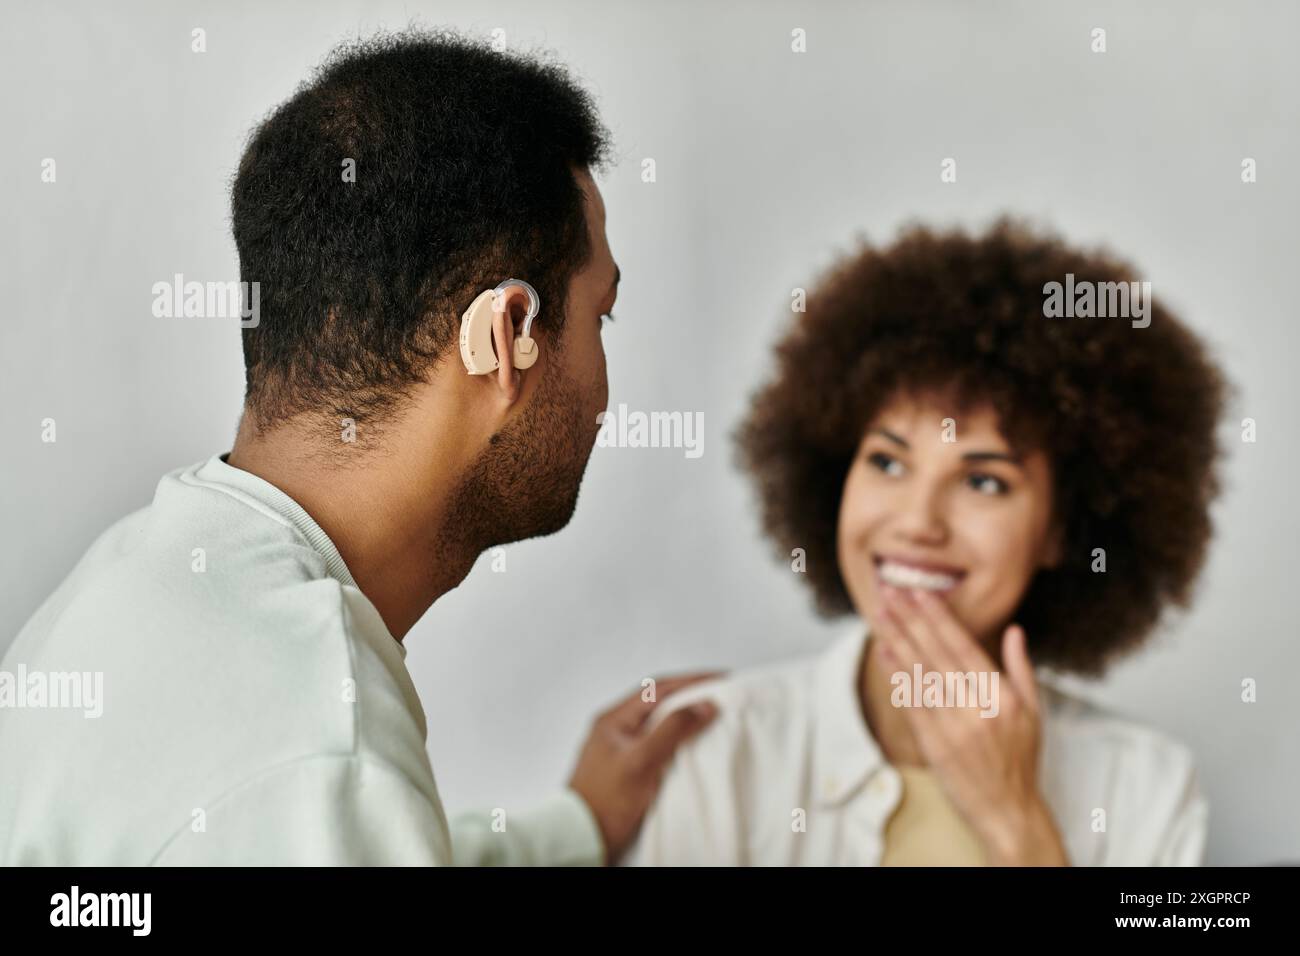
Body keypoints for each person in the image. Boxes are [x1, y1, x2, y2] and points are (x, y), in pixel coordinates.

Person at [0, 30, 716, 866]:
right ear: (511, 334)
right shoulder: (320, 746)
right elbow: (312, 794)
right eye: (603, 315)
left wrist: (576, 829)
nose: (603, 385)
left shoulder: (131, 583)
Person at [627, 220, 1227, 866]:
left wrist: (1014, 818)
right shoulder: (719, 749)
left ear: (1063, 529)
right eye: (887, 462)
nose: (918, 521)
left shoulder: (1145, 786)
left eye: (982, 480)